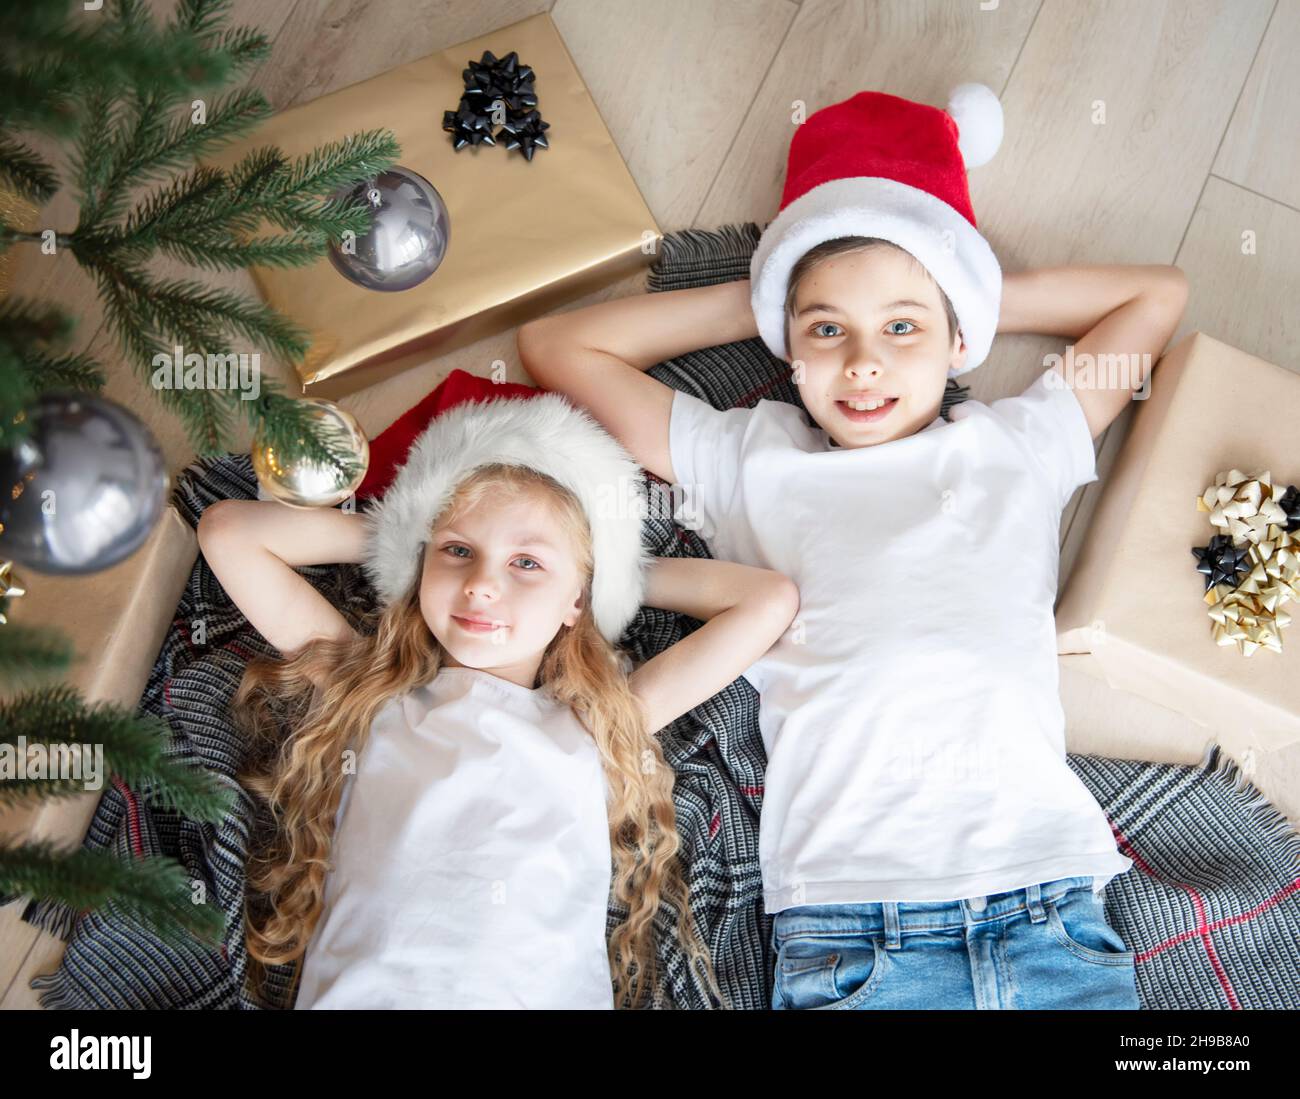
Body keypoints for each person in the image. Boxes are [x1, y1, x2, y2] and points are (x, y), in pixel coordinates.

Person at [516, 85, 1189, 1009]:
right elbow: (559, 344)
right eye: (825, 330)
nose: (863, 362)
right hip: (858, 933)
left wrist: (960, 285)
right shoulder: (750, 459)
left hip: (1049, 905)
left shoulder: (1012, 447)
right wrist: (769, 297)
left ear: (960, 337)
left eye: (901, 327)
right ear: (785, 345)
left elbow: (1158, 296)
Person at [197, 390, 800, 1009]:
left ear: (578, 601)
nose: (482, 585)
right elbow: (228, 532)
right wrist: (403, 534)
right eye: (458, 551)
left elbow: (766, 600)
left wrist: (607, 580)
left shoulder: (597, 726)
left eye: (526, 563)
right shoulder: (371, 697)